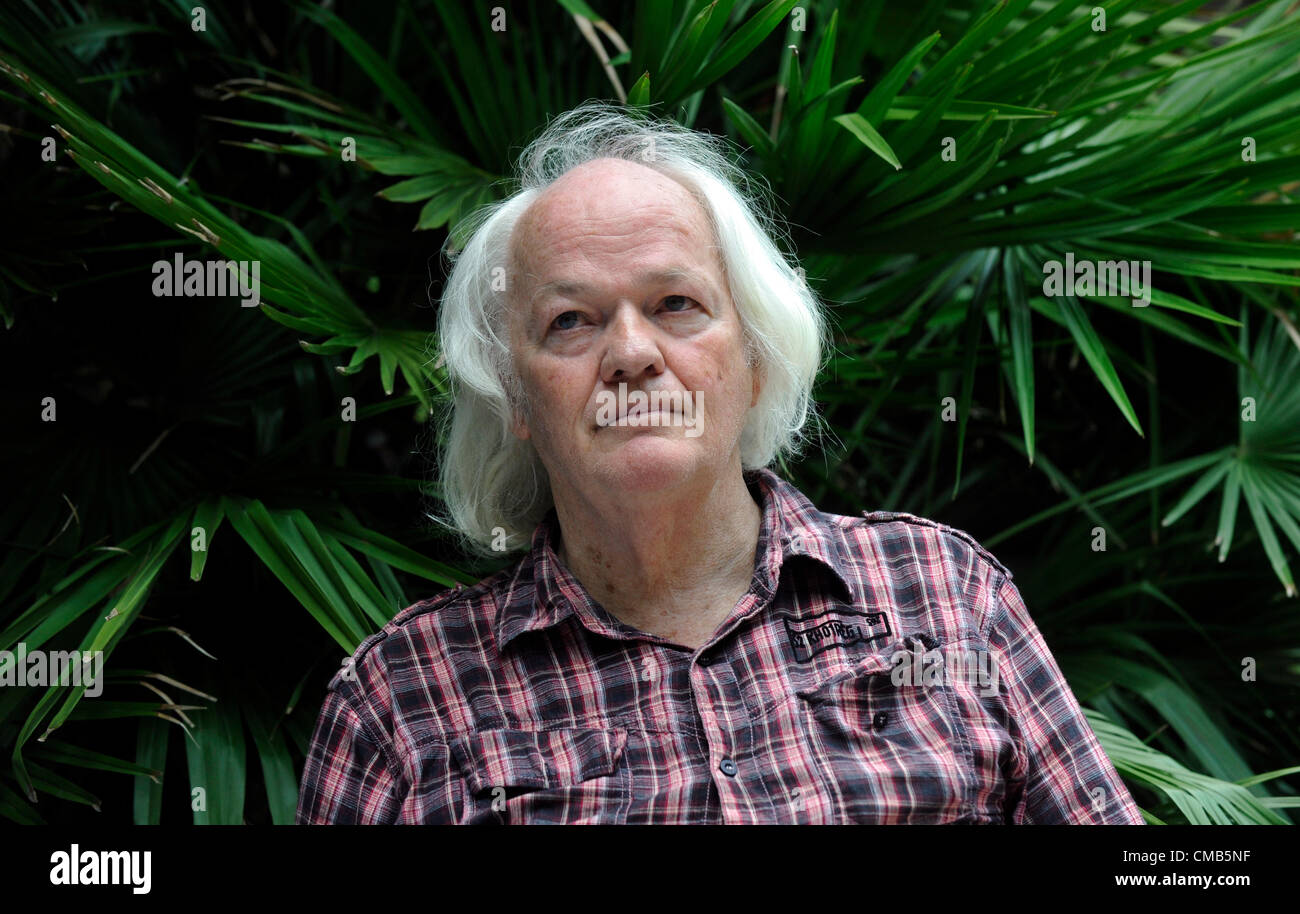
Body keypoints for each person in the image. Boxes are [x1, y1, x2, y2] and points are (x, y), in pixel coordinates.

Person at [296, 101, 1143, 825]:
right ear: (515, 399)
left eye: (676, 304)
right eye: (570, 322)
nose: (631, 352)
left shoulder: (944, 593)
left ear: (756, 358)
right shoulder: (402, 700)